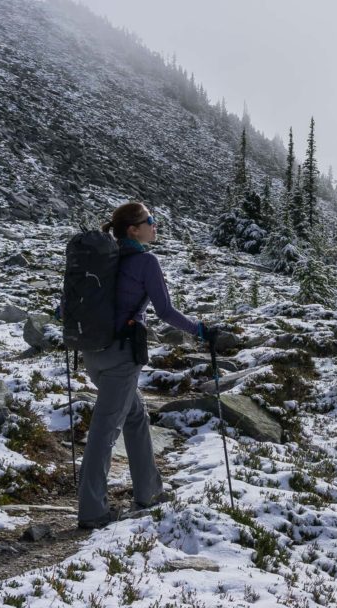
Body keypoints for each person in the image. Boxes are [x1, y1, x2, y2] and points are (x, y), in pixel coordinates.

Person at [76, 201, 219, 529]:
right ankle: (92, 511)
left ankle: (149, 491)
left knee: (136, 416)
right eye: (149, 220)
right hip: (121, 358)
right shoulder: (145, 261)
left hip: (93, 354)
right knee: (104, 431)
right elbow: (165, 311)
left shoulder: (103, 258)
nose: (155, 225)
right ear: (133, 230)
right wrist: (200, 330)